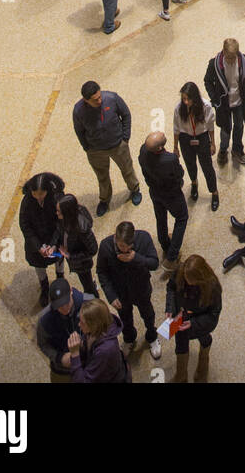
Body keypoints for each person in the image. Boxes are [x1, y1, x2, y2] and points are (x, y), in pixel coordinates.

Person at [73, 80, 142, 217]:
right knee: (102, 176)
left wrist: (125, 138)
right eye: (94, 100)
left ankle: (134, 189)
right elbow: (79, 130)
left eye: (99, 97)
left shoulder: (112, 98)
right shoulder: (78, 110)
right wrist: (86, 147)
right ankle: (104, 199)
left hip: (118, 145)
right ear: (85, 100)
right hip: (95, 150)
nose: (99, 101)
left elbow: (126, 115)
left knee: (127, 169)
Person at [96, 220, 161, 358]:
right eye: (121, 245)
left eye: (129, 246)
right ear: (115, 238)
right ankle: (129, 339)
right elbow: (101, 272)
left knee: (148, 315)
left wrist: (136, 257)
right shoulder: (105, 246)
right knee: (125, 319)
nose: (125, 249)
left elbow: (154, 263)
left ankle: (152, 336)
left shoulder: (144, 238)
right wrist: (111, 295)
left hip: (141, 289)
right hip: (120, 293)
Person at [164, 255, 222, 383]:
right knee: (180, 344)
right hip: (181, 315)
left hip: (199, 319)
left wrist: (194, 323)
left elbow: (213, 315)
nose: (188, 282)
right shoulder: (180, 271)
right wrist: (170, 307)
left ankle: (204, 357)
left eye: (193, 280)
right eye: (186, 278)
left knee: (204, 337)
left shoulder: (213, 287)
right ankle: (181, 376)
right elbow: (171, 288)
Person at [139, 132, 188, 273]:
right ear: (160, 148)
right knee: (182, 218)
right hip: (172, 195)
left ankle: (165, 244)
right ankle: (171, 258)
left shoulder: (143, 151)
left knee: (161, 219)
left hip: (155, 192)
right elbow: (179, 173)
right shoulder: (170, 159)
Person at [205, 38, 245, 167]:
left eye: (234, 57)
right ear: (223, 52)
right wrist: (214, 98)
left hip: (240, 103)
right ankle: (223, 151)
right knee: (225, 130)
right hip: (223, 105)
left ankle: (237, 149)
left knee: (239, 126)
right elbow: (207, 81)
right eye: (228, 58)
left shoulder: (244, 61)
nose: (231, 60)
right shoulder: (214, 64)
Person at [19, 171, 66, 308]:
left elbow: (61, 223)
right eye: (34, 193)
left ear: (48, 190)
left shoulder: (57, 198)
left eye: (41, 194)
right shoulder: (27, 201)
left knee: (59, 259)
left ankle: (60, 278)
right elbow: (25, 225)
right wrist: (39, 246)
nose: (37, 197)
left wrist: (52, 244)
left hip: (55, 239)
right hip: (36, 243)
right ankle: (44, 287)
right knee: (38, 265)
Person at [36, 277, 94, 380]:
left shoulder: (89, 303)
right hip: (62, 370)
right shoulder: (44, 320)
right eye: (59, 306)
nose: (64, 308)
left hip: (90, 363)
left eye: (67, 303)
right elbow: (43, 344)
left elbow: (102, 326)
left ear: (71, 291)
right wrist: (60, 358)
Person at [174, 81, 219, 210]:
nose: (186, 102)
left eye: (188, 99)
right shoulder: (179, 108)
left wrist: (213, 143)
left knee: (207, 166)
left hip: (202, 137)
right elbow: (176, 128)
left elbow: (210, 126)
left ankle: (214, 191)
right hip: (185, 138)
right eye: (183, 99)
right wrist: (175, 147)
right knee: (190, 163)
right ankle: (194, 182)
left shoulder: (206, 106)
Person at [67, 298, 130, 383]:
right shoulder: (97, 329)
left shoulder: (105, 350)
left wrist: (75, 354)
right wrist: (82, 346)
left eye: (82, 323)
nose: (79, 325)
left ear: (93, 325)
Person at [55, 194, 100, 297]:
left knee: (88, 286)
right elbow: (59, 231)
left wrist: (70, 256)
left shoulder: (82, 229)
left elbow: (93, 250)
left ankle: (94, 301)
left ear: (67, 213)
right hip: (71, 255)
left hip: (82, 264)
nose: (56, 213)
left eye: (59, 212)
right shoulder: (64, 219)